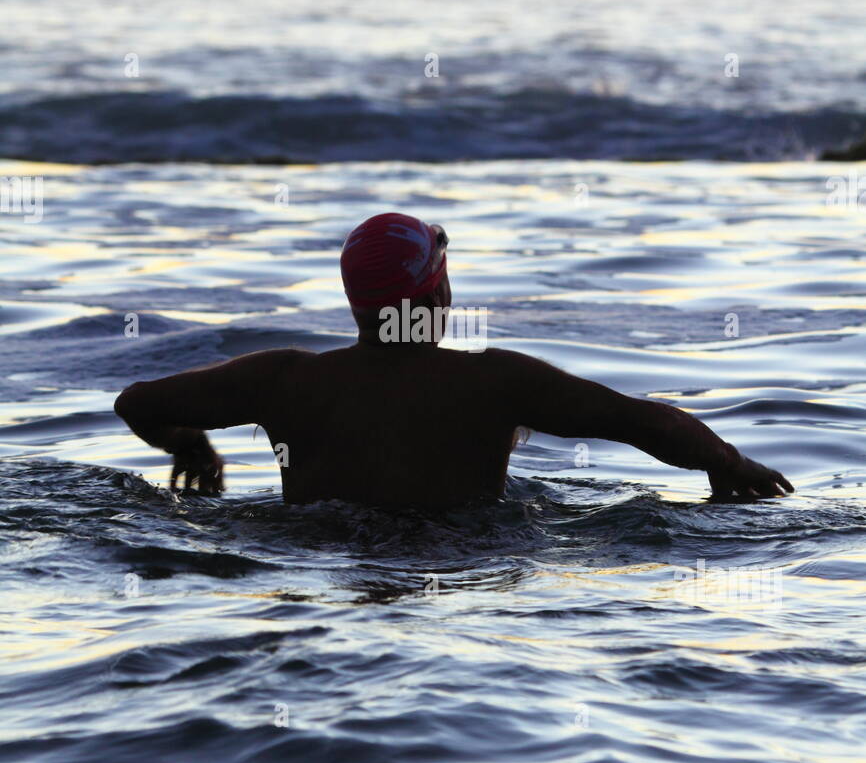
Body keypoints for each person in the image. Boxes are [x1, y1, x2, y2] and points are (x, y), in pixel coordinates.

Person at [114, 212, 794, 508]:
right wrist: (733, 466)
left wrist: (194, 451)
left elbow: (137, 404)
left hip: (318, 560)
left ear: (354, 300)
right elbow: (644, 424)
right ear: (438, 291)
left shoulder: (285, 381)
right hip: (466, 559)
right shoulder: (495, 383)